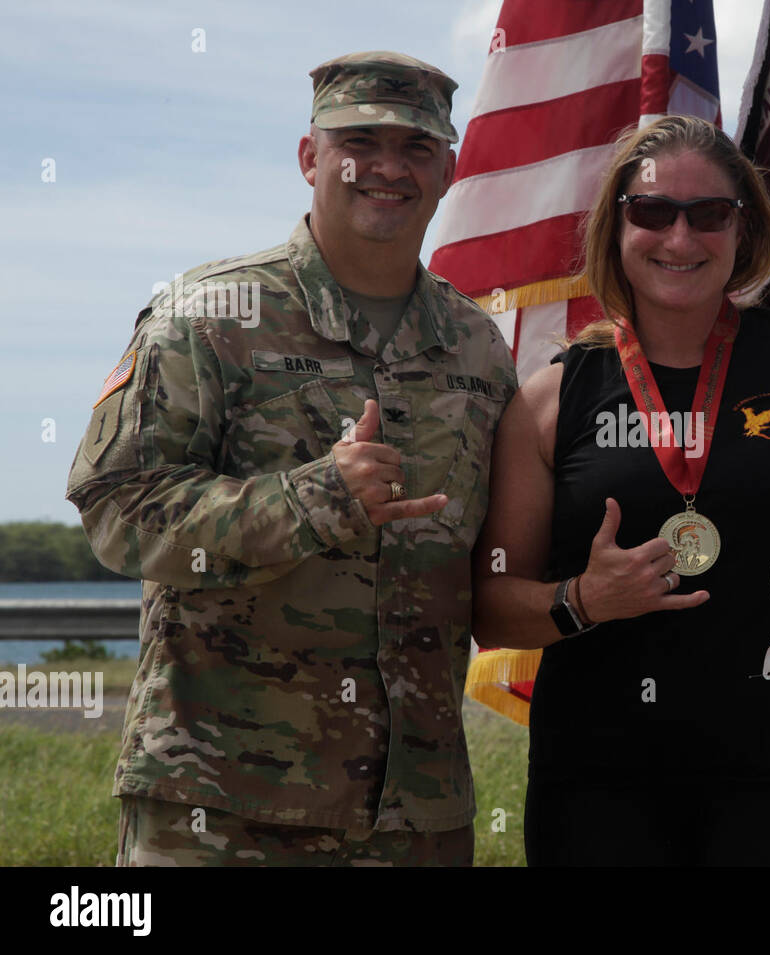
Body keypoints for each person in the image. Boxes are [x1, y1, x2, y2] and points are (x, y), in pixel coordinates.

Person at [65, 51, 517, 866]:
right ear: (311, 157)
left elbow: (489, 558)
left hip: (415, 814)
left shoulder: (478, 347)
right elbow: (116, 510)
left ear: (449, 169)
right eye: (359, 141)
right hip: (222, 804)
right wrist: (312, 499)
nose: (387, 166)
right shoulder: (209, 317)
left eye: (417, 147)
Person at [471, 115, 770, 866]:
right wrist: (583, 599)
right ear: (615, 229)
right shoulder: (551, 401)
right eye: (652, 212)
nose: (680, 239)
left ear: (743, 229)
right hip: (605, 789)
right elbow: (492, 609)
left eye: (709, 214)